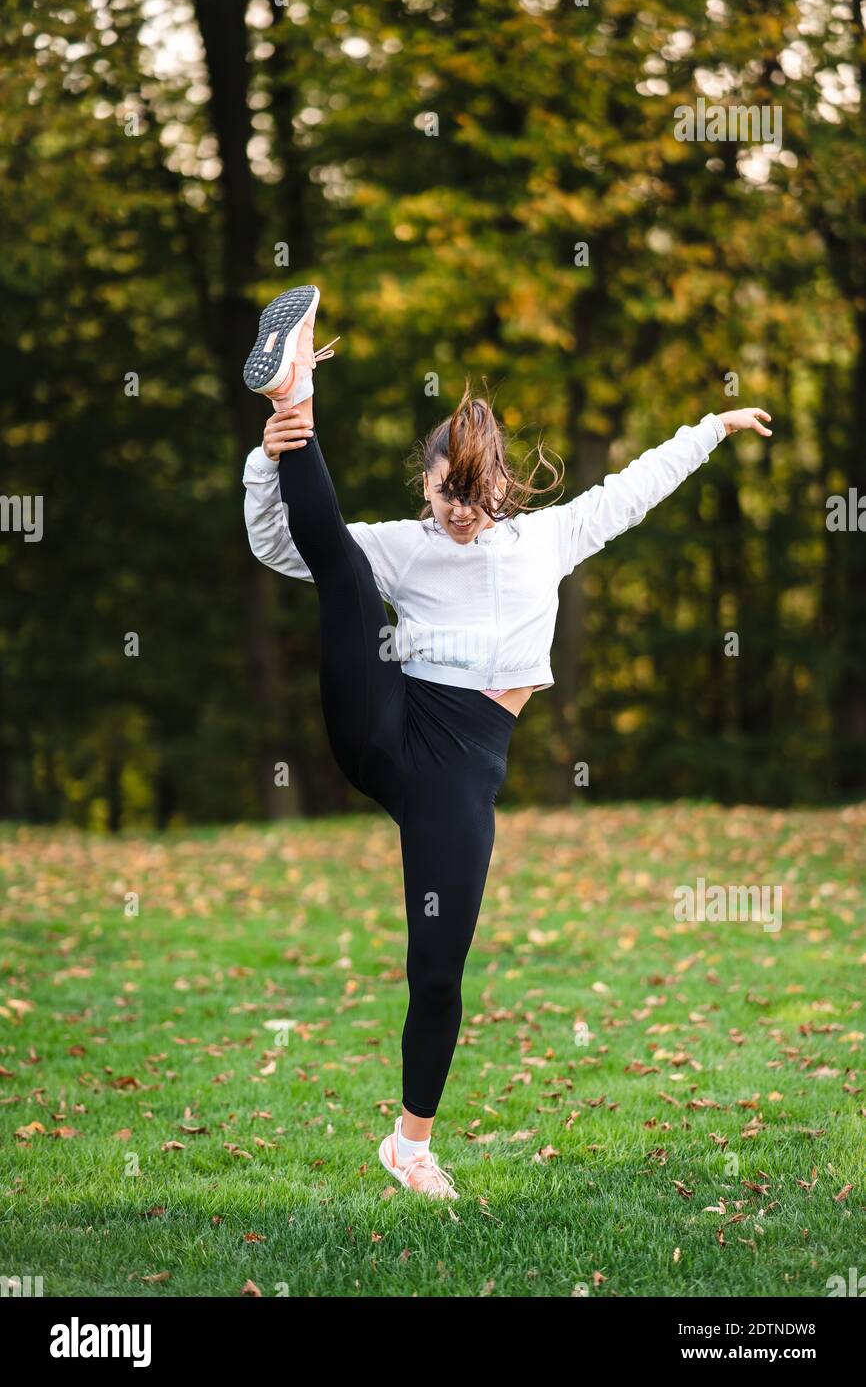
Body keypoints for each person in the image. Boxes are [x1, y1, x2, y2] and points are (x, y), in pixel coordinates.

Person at [242, 284, 772, 1200]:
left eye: (473, 500)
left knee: (438, 966)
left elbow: (632, 489)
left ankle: (410, 1144)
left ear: (501, 490)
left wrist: (711, 429)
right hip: (386, 721)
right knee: (345, 573)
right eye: (444, 495)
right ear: (426, 480)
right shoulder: (406, 544)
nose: (456, 514)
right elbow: (289, 549)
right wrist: (267, 461)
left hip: (462, 765)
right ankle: (295, 403)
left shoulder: (548, 539)